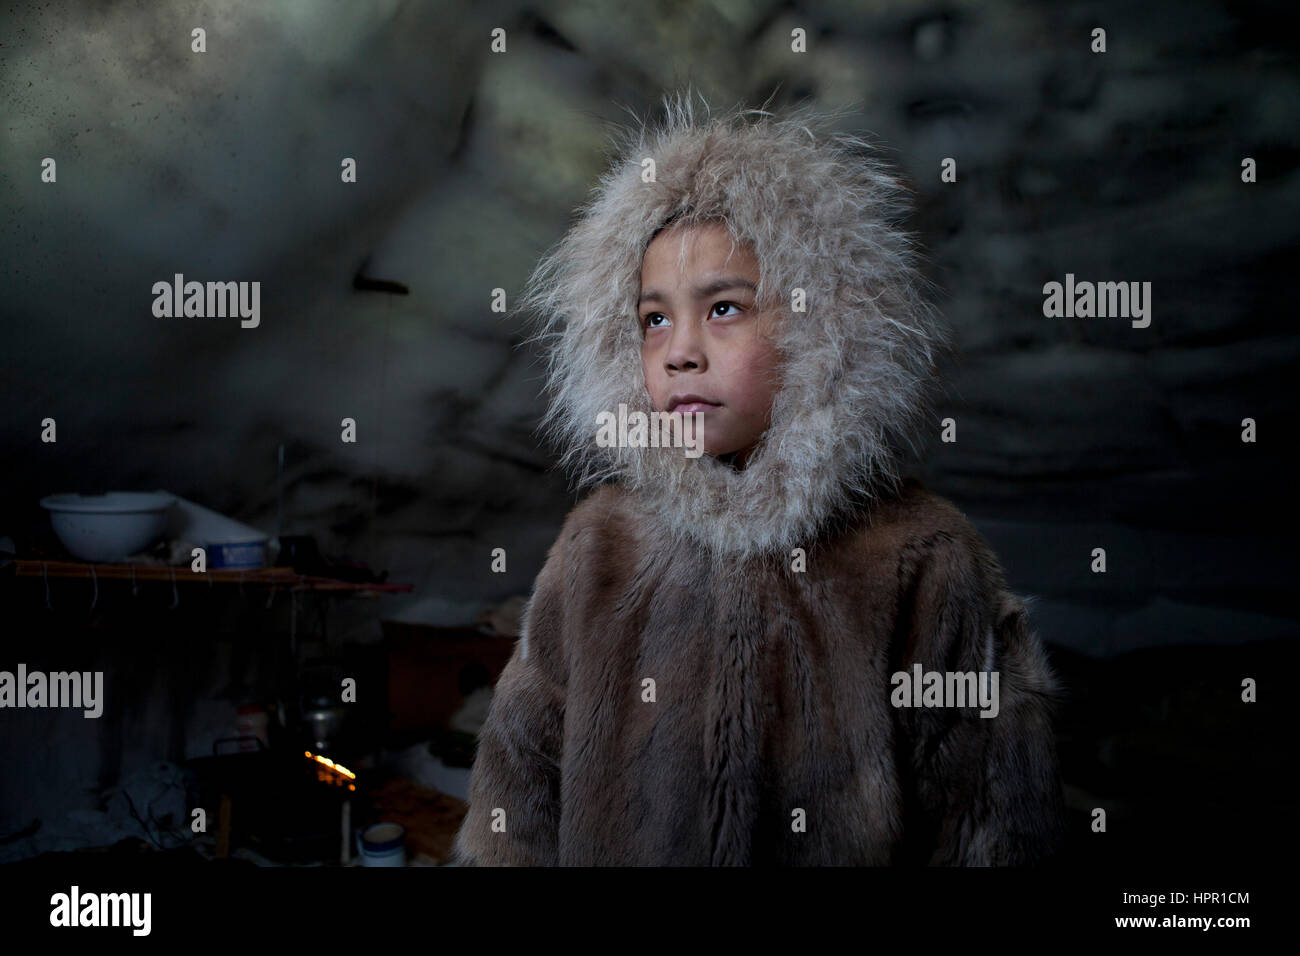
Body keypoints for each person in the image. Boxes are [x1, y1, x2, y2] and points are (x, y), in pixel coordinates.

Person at [452, 90, 1066, 865]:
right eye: (653, 319)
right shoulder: (596, 547)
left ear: (819, 325)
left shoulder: (923, 557)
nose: (680, 351)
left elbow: (988, 824)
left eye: (724, 308)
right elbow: (517, 796)